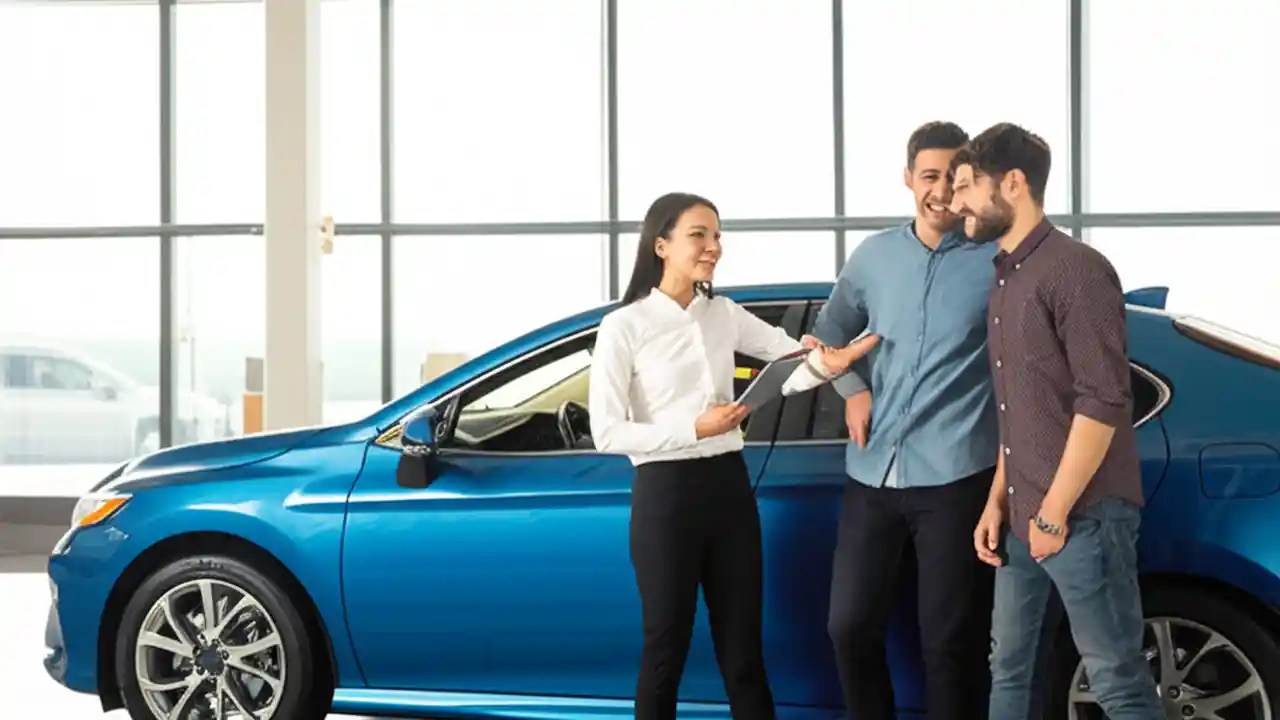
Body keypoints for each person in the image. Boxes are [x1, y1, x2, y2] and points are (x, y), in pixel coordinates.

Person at [589, 192, 878, 720]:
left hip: (727, 487)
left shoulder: (722, 313)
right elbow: (606, 431)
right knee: (665, 648)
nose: (713, 247)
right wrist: (692, 427)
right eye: (699, 234)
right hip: (665, 496)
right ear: (661, 244)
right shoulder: (624, 326)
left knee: (743, 650)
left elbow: (790, 362)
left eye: (717, 236)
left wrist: (828, 364)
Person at [948, 122, 1163, 719]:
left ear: (1012, 184)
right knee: (1008, 670)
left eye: (968, 187)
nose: (956, 201)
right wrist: (999, 502)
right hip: (1025, 515)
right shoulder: (1005, 279)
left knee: (1116, 676)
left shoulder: (1076, 269)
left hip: (1082, 516)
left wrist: (1053, 512)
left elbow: (1103, 402)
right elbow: (1018, 410)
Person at [808, 121, 1001, 720]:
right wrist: (851, 389)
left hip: (957, 476)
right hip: (872, 475)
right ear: (907, 179)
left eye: (953, 177)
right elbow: (828, 333)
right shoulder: (874, 257)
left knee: (949, 644)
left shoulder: (999, 260)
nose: (941, 189)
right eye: (929, 175)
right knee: (849, 627)